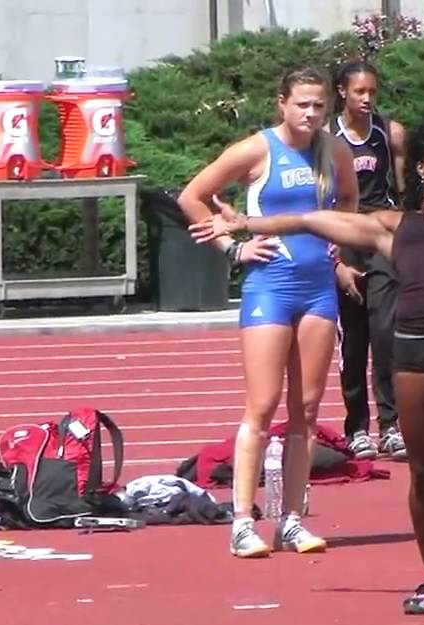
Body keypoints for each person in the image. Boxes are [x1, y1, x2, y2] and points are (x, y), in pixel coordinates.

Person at [193, 120, 424, 625]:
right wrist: (245, 227)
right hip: (415, 353)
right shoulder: (393, 226)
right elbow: (311, 220)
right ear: (422, 168)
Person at [178, 66, 360, 559]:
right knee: (262, 405)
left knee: (306, 409)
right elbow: (192, 197)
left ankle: (292, 519)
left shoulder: (334, 151)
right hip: (270, 288)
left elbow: (348, 202)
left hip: (318, 290)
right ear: (282, 103)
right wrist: (232, 248)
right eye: (302, 104)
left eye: (319, 105)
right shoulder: (256, 150)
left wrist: (340, 248)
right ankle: (241, 520)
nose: (311, 113)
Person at [331, 59, 408, 461]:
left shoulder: (387, 132)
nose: (367, 98)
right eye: (360, 91)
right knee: (354, 339)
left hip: (379, 237)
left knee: (386, 331)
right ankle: (356, 426)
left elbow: (400, 188)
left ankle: (391, 425)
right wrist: (339, 262)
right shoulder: (326, 138)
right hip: (344, 236)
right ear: (342, 92)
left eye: (372, 92)